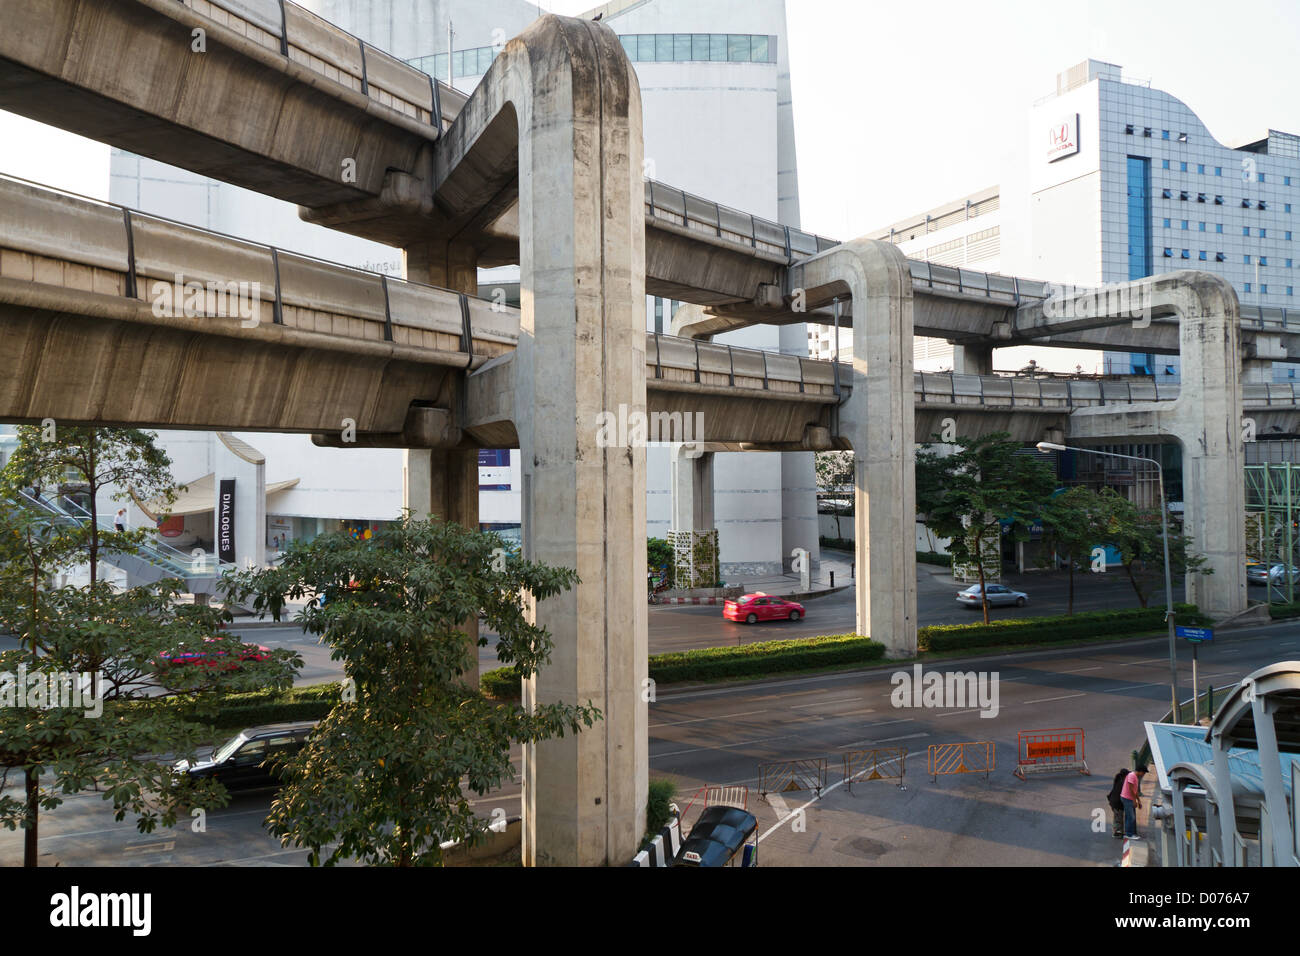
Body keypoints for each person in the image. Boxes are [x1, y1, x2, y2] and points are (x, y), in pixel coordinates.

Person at [1121, 764, 1148, 839]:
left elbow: (1135, 791)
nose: (1143, 774)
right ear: (1140, 771)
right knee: (1131, 817)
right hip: (1127, 798)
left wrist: (1138, 801)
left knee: (1129, 816)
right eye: (1144, 772)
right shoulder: (1131, 776)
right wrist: (1134, 801)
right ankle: (1129, 834)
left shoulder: (1135, 777)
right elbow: (1131, 789)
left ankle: (1128, 833)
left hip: (1128, 798)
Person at [1106, 767, 1129, 838]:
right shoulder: (1122, 783)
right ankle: (1117, 832)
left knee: (1118, 816)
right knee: (1118, 817)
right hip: (1117, 803)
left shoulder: (1118, 780)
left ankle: (1118, 831)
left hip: (1113, 801)